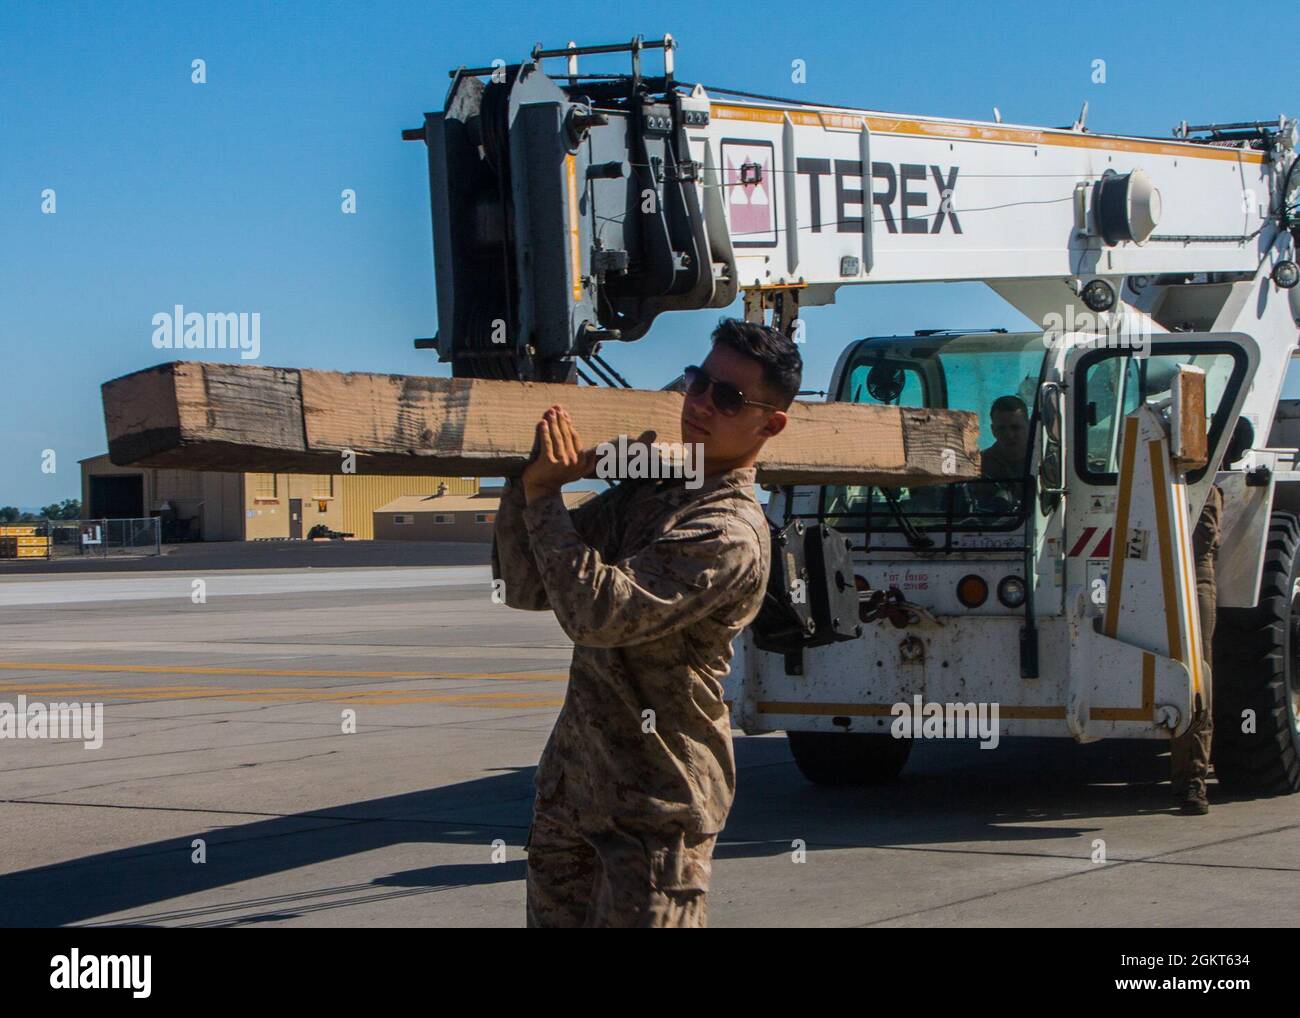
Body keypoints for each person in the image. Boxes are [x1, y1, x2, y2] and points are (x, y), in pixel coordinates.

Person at [492, 317, 800, 927]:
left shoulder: (729, 531)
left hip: (655, 817)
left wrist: (547, 497)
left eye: (729, 397)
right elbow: (527, 586)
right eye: (698, 383)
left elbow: (594, 615)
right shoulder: (653, 491)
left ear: (772, 423)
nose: (702, 403)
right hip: (572, 797)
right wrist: (522, 482)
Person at [1170, 483, 1222, 815]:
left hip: (1194, 577)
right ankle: (1184, 776)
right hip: (1153, 575)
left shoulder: (1204, 487)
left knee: (1196, 679)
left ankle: (1194, 780)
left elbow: (1205, 538)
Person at [979, 395, 1031, 480]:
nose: (1009, 435)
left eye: (1015, 427)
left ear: (1029, 426)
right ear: (993, 430)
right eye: (1001, 428)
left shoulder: (1041, 460)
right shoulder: (979, 465)